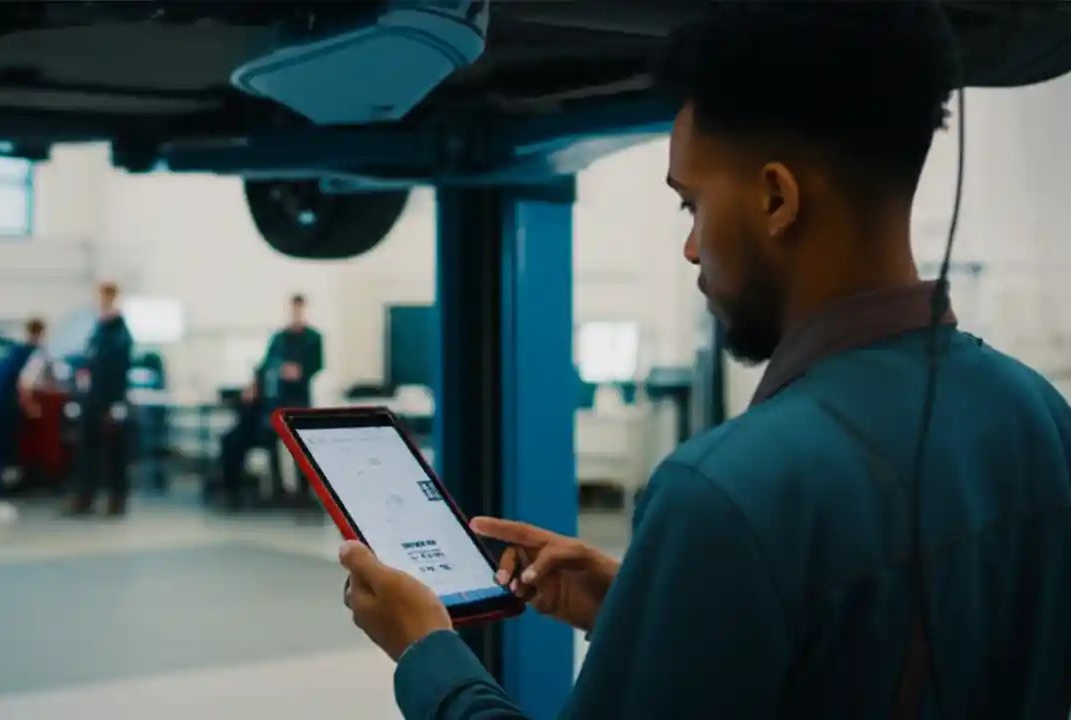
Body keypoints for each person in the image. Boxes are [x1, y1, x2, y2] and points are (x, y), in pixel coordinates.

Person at [336, 4, 1071, 718]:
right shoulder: (1038, 414)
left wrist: (427, 649)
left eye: (692, 205)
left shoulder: (725, 491)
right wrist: (645, 607)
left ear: (777, 199)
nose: (690, 247)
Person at [218, 294, 324, 503]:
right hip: (276, 401)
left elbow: (317, 365)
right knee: (271, 440)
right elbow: (266, 364)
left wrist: (300, 371)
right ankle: (277, 489)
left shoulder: (313, 338)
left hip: (299, 401)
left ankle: (303, 491)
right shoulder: (279, 338)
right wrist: (257, 384)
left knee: (299, 447)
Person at [66, 281, 134, 517]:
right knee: (88, 450)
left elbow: (118, 368)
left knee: (113, 452)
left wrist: (114, 403)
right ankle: (85, 497)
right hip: (92, 398)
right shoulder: (98, 330)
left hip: (109, 399)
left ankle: (116, 499)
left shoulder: (119, 333)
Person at [0, 317, 49, 524]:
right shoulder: (35, 353)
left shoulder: (13, 349)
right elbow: (25, 385)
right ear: (42, 333)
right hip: (2, 405)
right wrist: (32, 408)